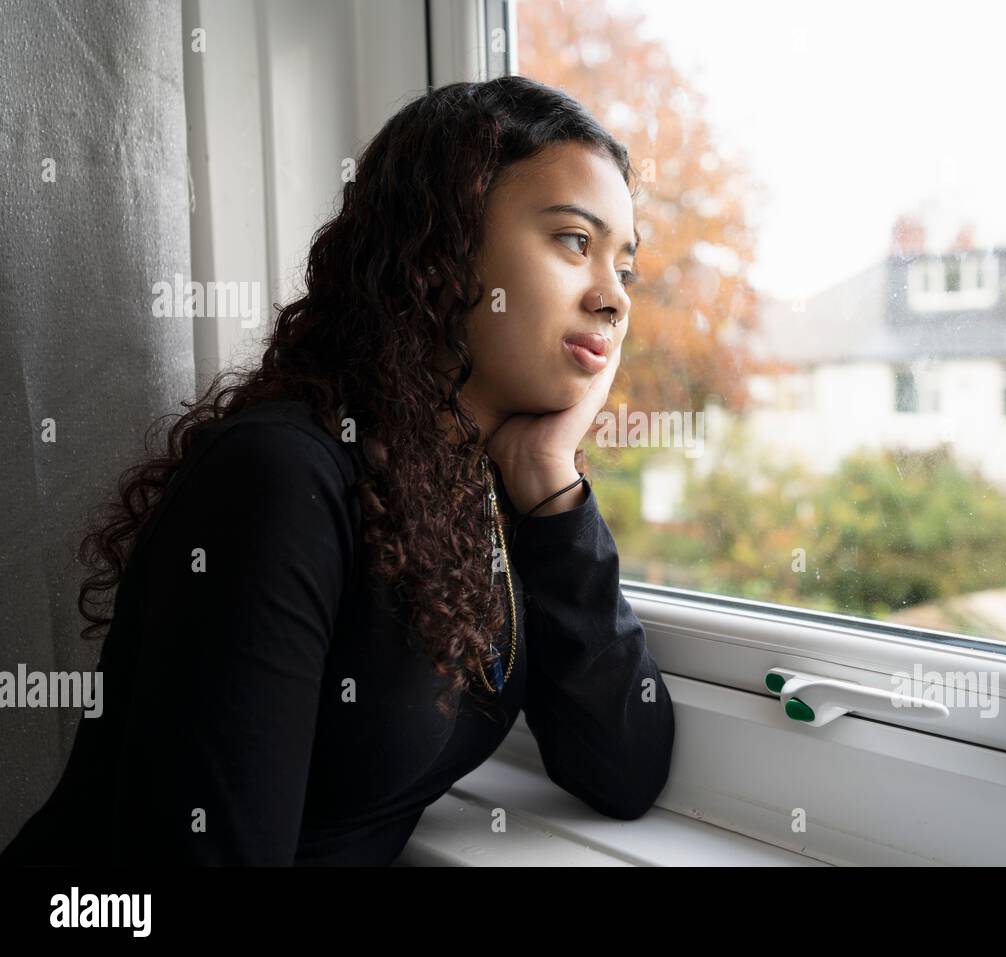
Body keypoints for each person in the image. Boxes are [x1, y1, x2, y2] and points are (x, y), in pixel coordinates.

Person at [0, 75, 674, 866]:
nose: (614, 299)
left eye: (625, 267)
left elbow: (623, 765)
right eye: (574, 241)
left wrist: (550, 479)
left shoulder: (481, 482)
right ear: (443, 246)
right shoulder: (280, 479)